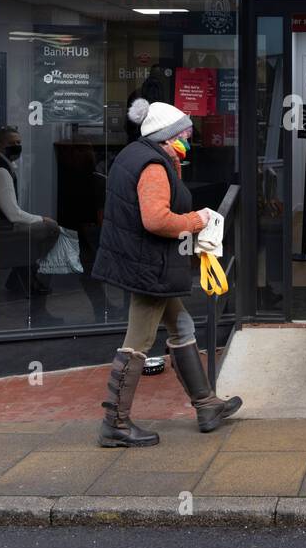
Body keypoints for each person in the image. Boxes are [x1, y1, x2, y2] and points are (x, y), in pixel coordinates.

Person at [91, 99, 243, 447]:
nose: (188, 138)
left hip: (147, 263)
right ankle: (115, 422)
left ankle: (206, 406)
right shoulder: (154, 167)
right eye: (183, 133)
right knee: (138, 341)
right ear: (166, 136)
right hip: (148, 267)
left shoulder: (138, 155)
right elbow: (156, 219)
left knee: (182, 325)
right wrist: (197, 220)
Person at [0, 125, 60, 298]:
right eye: (12, 143)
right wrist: (42, 219)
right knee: (50, 229)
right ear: (0, 145)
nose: (17, 146)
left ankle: (19, 278)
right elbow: (13, 214)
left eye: (19, 142)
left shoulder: (2, 165)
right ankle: (32, 279)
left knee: (32, 233)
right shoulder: (0, 171)